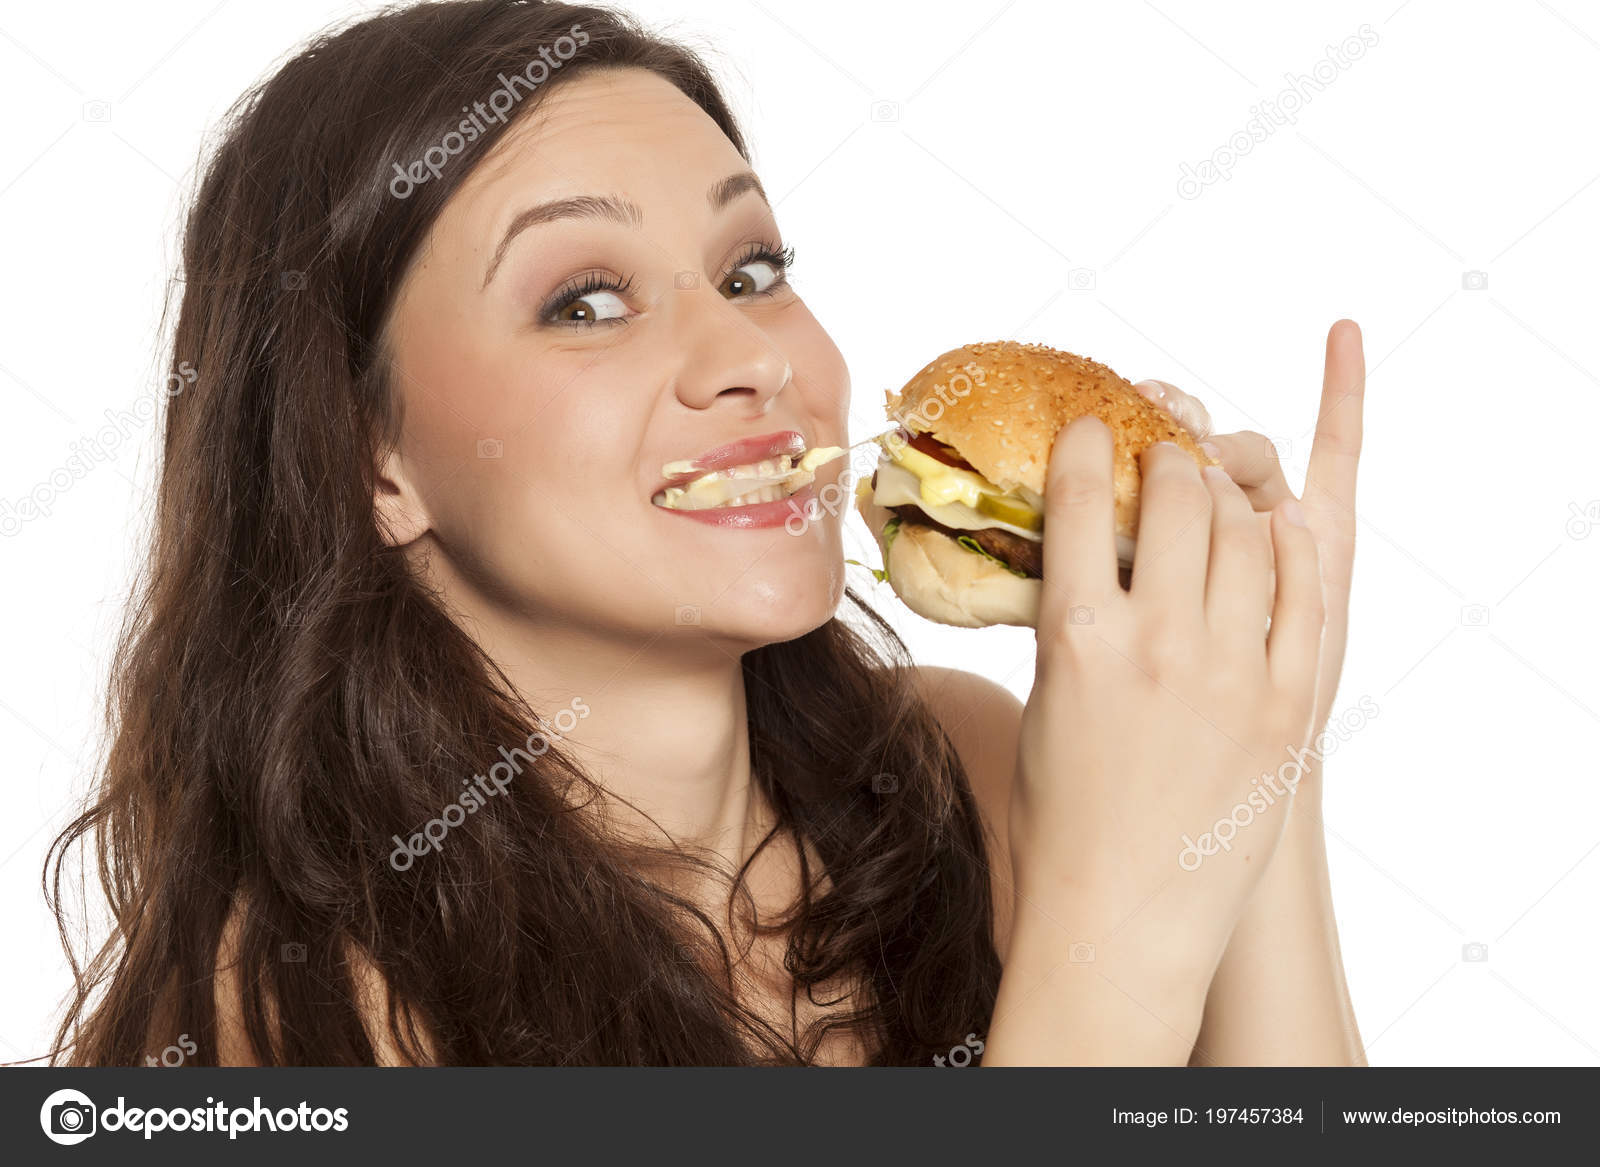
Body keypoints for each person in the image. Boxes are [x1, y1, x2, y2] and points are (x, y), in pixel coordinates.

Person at [47, 0, 1364, 1066]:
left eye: (752, 274)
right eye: (585, 303)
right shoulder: (299, 1020)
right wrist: (1107, 947)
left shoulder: (965, 766)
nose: (747, 353)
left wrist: (1258, 721)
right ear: (370, 460)